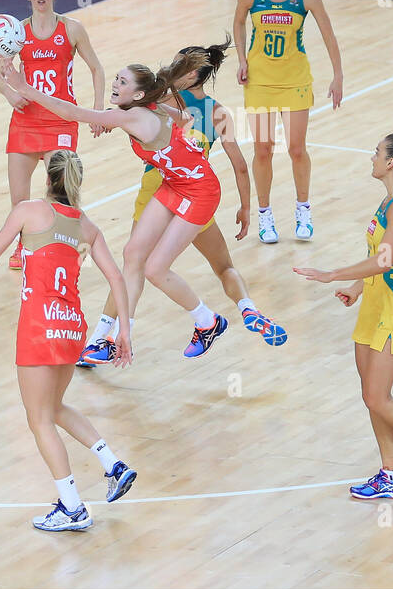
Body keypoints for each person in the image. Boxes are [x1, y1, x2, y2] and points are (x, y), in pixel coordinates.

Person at [0, 151, 138, 533]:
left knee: (38, 420)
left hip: (39, 326)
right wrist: (123, 333)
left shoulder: (28, 211)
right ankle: (112, 463)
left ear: (48, 179)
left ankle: (71, 506)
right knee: (53, 409)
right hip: (72, 327)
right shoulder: (86, 227)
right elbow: (118, 278)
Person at [1, 49, 232, 359]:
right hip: (175, 184)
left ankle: (207, 321)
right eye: (117, 78)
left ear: (136, 93)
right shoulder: (150, 108)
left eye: (122, 82)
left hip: (200, 191)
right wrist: (178, 143)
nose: (115, 84)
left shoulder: (133, 114)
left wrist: (26, 89)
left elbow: (72, 113)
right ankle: (112, 339)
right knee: (132, 254)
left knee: (155, 268)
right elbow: (186, 118)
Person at [81, 41, 288, 364]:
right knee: (224, 267)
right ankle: (248, 307)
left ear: (191, 75)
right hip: (198, 193)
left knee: (134, 264)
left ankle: (103, 339)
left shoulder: (160, 98)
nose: (169, 74)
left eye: (176, 68)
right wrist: (246, 208)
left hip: (161, 189)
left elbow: (126, 112)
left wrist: (108, 119)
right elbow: (240, 165)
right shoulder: (218, 113)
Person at [291, 135, 393, 502]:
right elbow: (384, 257)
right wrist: (357, 286)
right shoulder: (389, 200)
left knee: (377, 396)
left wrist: (331, 274)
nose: (372, 157)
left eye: (377, 153)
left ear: (391, 164)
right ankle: (391, 474)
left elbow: (385, 262)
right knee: (372, 396)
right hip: (376, 304)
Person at [0, 0, 105, 268]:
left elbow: (97, 69)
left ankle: (68, 247)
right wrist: (9, 94)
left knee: (63, 193)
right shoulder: (17, 32)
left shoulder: (72, 29)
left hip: (61, 121)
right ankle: (23, 248)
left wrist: (97, 109)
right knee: (20, 200)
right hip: (26, 121)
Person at [234, 0, 345, 241]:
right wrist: (242, 60)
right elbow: (239, 25)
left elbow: (329, 37)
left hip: (295, 80)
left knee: (296, 150)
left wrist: (338, 76)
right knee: (263, 149)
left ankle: (303, 209)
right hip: (259, 82)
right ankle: (265, 215)